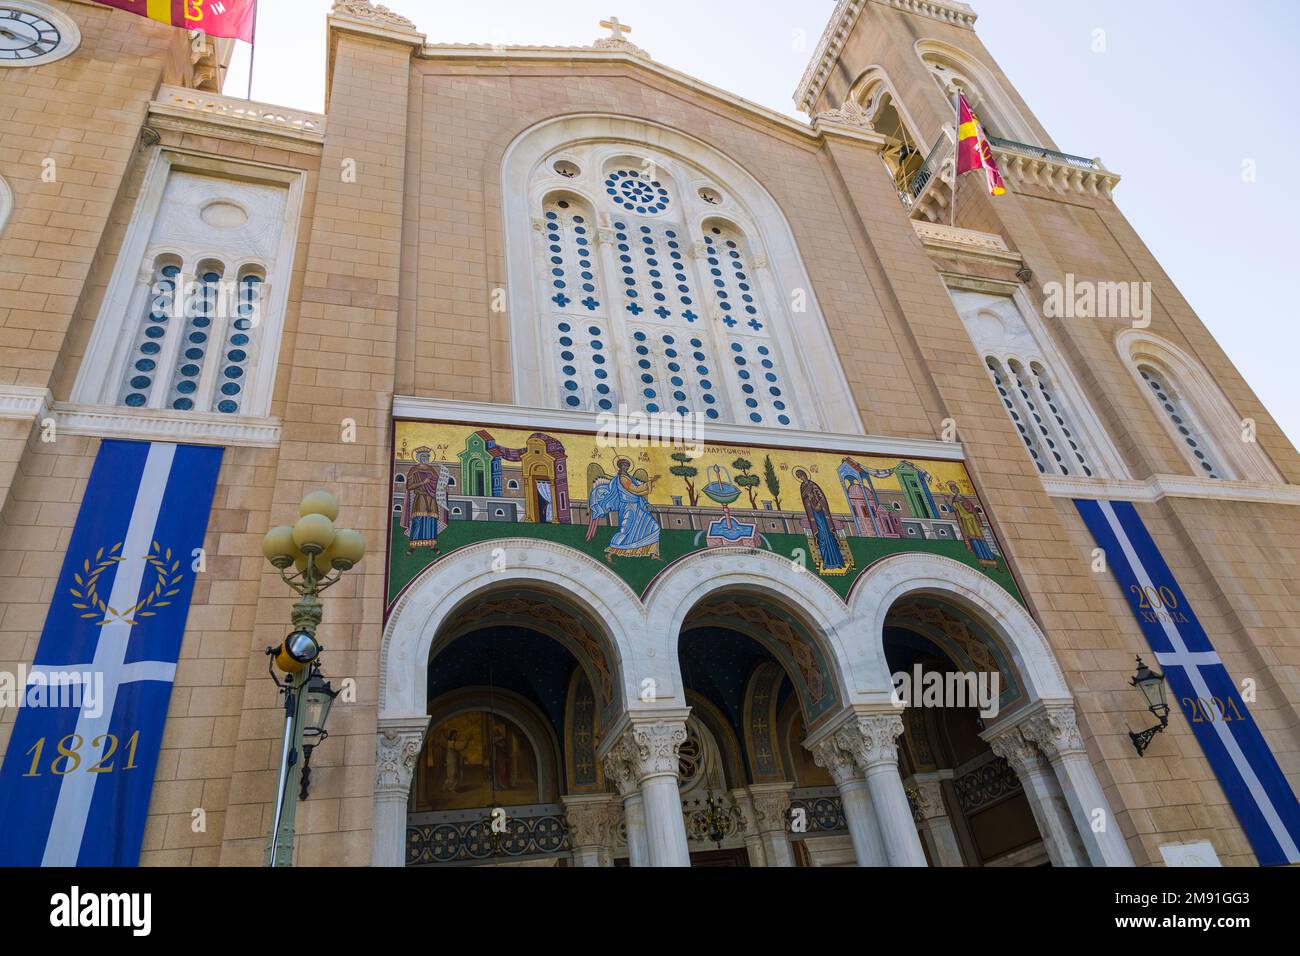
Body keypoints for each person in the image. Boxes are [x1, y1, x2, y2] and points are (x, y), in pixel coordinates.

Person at [585, 458, 662, 561]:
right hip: (628, 507)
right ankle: (610, 552)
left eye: (627, 466)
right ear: (620, 467)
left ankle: (653, 553)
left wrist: (646, 504)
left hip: (638, 508)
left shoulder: (630, 478)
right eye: (624, 466)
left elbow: (638, 495)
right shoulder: (623, 479)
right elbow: (635, 490)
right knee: (625, 530)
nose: (626, 467)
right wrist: (651, 481)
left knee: (654, 527)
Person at [795, 468, 846, 572]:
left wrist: (818, 503)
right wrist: (809, 499)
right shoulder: (802, 487)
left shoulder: (813, 485)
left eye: (802, 475)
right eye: (799, 477)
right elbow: (804, 499)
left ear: (805, 475)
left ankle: (838, 562)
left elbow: (821, 497)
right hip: (813, 515)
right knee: (821, 538)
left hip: (821, 514)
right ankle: (826, 562)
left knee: (828, 536)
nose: (801, 478)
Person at [947, 481, 997, 568]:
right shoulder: (955, 500)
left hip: (974, 521)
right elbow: (954, 510)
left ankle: (992, 559)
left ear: (958, 488)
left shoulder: (965, 499)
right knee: (974, 540)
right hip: (966, 522)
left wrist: (979, 521)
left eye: (955, 488)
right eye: (952, 489)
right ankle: (982, 560)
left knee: (982, 539)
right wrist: (948, 502)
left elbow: (972, 509)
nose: (954, 490)